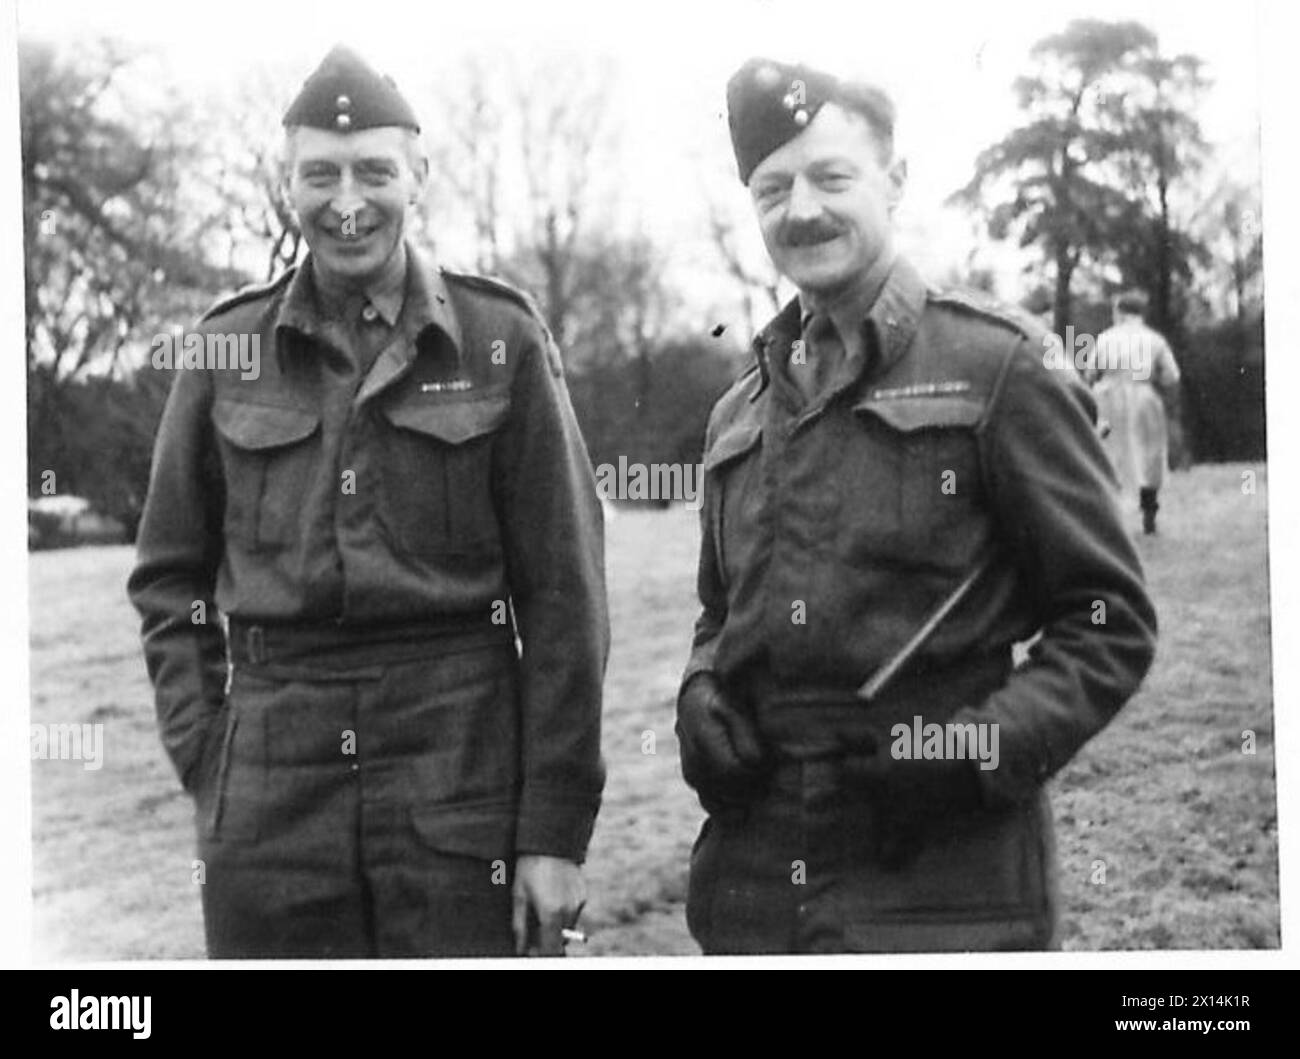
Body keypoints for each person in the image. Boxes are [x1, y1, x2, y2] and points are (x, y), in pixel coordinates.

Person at [127, 46, 608, 958]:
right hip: (270, 791)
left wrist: (552, 830)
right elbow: (168, 576)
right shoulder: (224, 348)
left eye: (374, 171)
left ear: (418, 177)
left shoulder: (500, 339)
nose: (347, 200)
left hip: (459, 772)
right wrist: (206, 753)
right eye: (321, 174)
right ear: (288, 186)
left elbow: (565, 594)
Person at [676, 58, 1158, 953]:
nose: (802, 210)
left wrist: (971, 753)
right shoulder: (739, 409)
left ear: (894, 182)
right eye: (773, 188)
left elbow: (1110, 621)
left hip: (943, 881)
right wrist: (700, 691)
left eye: (831, 177)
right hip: (756, 881)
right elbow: (719, 611)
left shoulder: (999, 365)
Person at [1089, 291, 1183, 534]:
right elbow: (1171, 376)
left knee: (1110, 455)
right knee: (1148, 455)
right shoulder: (1155, 339)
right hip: (1143, 397)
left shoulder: (1105, 338)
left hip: (1108, 398)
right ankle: (1149, 514)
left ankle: (1109, 519)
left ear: (1120, 312)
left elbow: (1090, 372)